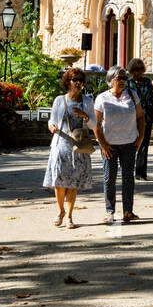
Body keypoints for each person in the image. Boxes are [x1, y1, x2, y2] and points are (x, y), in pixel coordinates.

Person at [43, 66, 95, 228]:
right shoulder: (59, 100)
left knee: (73, 182)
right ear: (68, 82)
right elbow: (52, 120)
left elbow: (94, 124)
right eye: (75, 80)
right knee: (59, 181)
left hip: (78, 147)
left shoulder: (87, 101)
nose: (78, 83)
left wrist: (85, 116)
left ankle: (70, 216)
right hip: (60, 145)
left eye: (80, 80)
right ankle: (60, 211)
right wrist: (51, 126)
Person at [94, 65, 144, 223]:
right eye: (119, 78)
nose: (123, 81)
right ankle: (110, 212)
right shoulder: (102, 98)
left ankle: (128, 211)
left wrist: (141, 136)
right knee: (109, 178)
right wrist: (102, 144)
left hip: (129, 143)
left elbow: (140, 117)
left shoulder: (132, 94)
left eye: (125, 78)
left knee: (128, 177)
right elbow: (96, 124)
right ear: (111, 80)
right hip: (109, 145)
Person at [126, 57, 153, 179]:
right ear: (131, 70)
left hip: (146, 117)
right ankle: (129, 171)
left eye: (140, 69)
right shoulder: (128, 83)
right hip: (131, 117)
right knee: (131, 145)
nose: (138, 72)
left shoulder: (147, 82)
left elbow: (152, 97)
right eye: (135, 69)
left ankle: (141, 173)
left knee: (144, 144)